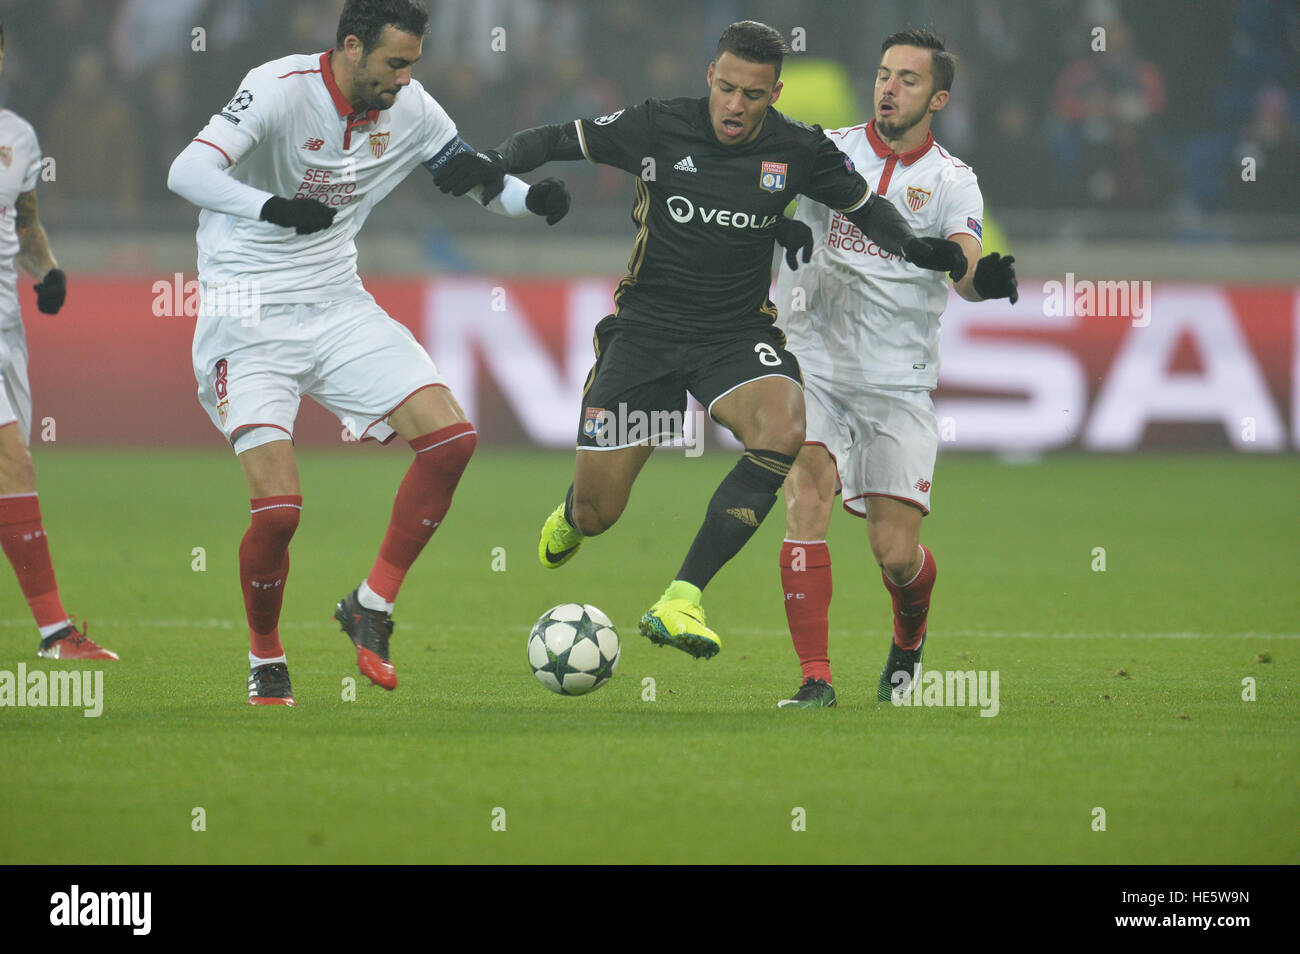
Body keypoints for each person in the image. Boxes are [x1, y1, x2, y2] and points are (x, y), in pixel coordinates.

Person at [434, 20, 967, 659]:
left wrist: (913, 245)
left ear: (774, 93)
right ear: (709, 79)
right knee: (601, 513)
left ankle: (682, 598)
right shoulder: (660, 125)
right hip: (646, 334)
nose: (735, 106)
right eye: (726, 88)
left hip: (734, 333)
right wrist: (493, 162)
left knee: (783, 425)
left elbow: (864, 208)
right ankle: (575, 513)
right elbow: (561, 138)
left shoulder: (798, 148)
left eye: (753, 94)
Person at [166, 0, 570, 705]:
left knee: (450, 441)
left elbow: (473, 177)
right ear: (351, 47)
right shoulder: (278, 87)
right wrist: (272, 208)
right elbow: (185, 173)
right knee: (280, 513)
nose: (406, 79)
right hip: (247, 316)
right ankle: (266, 655)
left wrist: (533, 201)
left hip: (337, 305)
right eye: (395, 63)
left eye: (413, 64)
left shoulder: (410, 108)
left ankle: (370, 606)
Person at [770, 29, 1018, 708]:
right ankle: (815, 678)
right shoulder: (829, 152)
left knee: (894, 552)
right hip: (812, 360)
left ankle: (908, 637)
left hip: (896, 381)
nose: (889, 87)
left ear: (937, 98)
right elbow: (761, 194)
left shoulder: (951, 179)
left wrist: (982, 278)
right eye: (883, 74)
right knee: (806, 498)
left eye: (908, 79)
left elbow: (963, 263)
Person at [0, 21, 118, 661]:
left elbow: (24, 222)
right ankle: (54, 633)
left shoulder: (17, 136)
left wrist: (47, 272)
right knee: (11, 460)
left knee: (11, 472)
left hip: (8, 330)